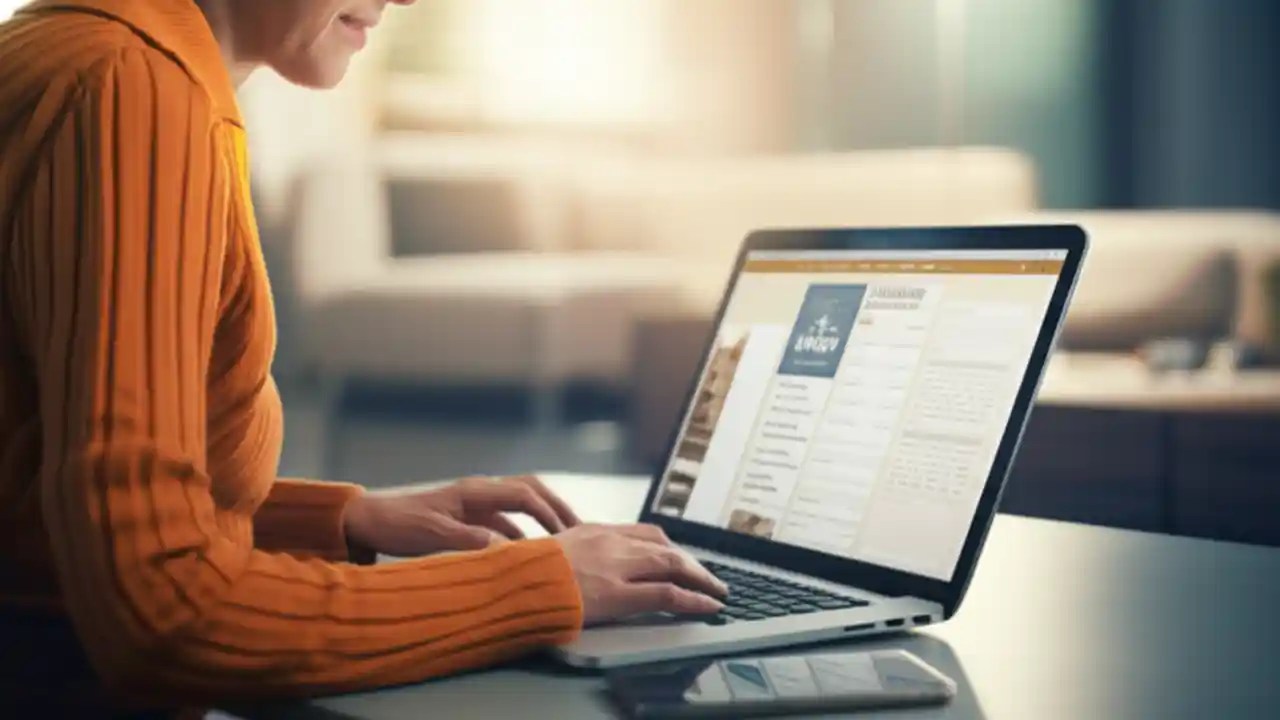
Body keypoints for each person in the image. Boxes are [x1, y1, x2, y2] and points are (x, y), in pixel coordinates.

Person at [0, 0, 727, 715]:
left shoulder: (60, 47)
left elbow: (43, 487)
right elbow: (161, 611)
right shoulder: (136, 91)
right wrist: (534, 585)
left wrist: (337, 520)